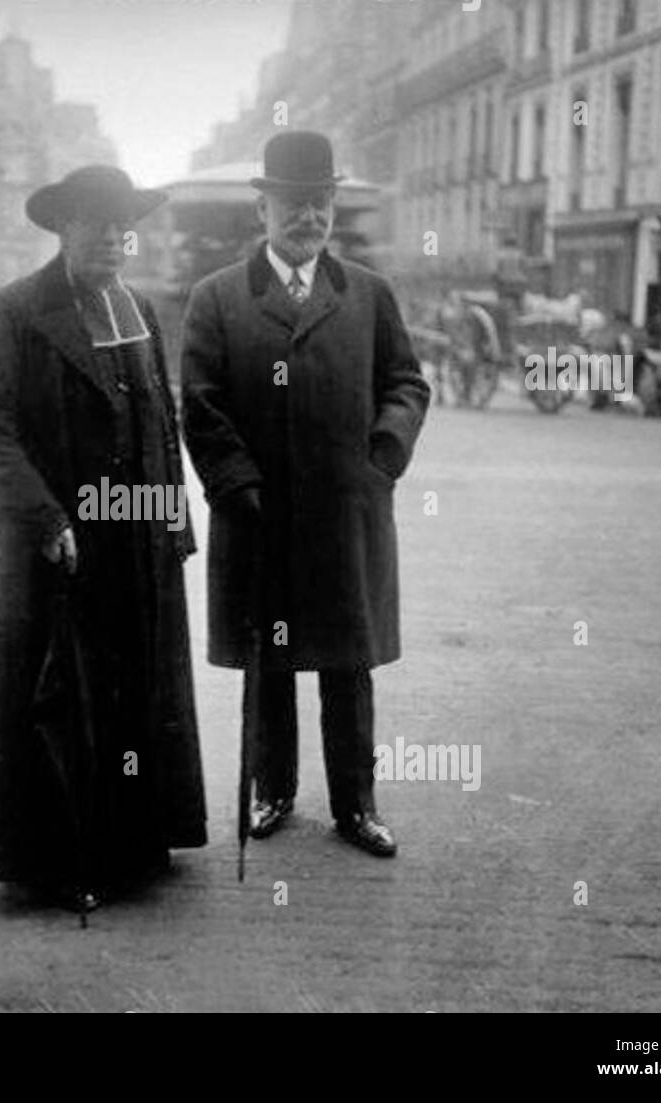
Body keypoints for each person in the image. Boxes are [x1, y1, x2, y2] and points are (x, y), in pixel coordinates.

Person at [0, 165, 207, 912]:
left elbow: (162, 424)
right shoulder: (12, 315)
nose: (111, 236)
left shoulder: (139, 309)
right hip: (54, 554)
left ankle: (134, 846)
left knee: (132, 698)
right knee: (61, 702)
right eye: (94, 222)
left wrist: (174, 525)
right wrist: (48, 518)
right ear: (64, 229)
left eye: (121, 223)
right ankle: (58, 864)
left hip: (135, 549)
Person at [181, 131, 430, 858]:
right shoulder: (218, 297)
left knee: (348, 662)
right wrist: (236, 484)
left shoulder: (368, 294)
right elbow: (200, 403)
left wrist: (382, 457)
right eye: (293, 203)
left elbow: (406, 383)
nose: (309, 216)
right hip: (259, 514)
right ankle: (272, 790)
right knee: (270, 660)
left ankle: (357, 804)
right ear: (262, 208)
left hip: (346, 512)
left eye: (321, 202)